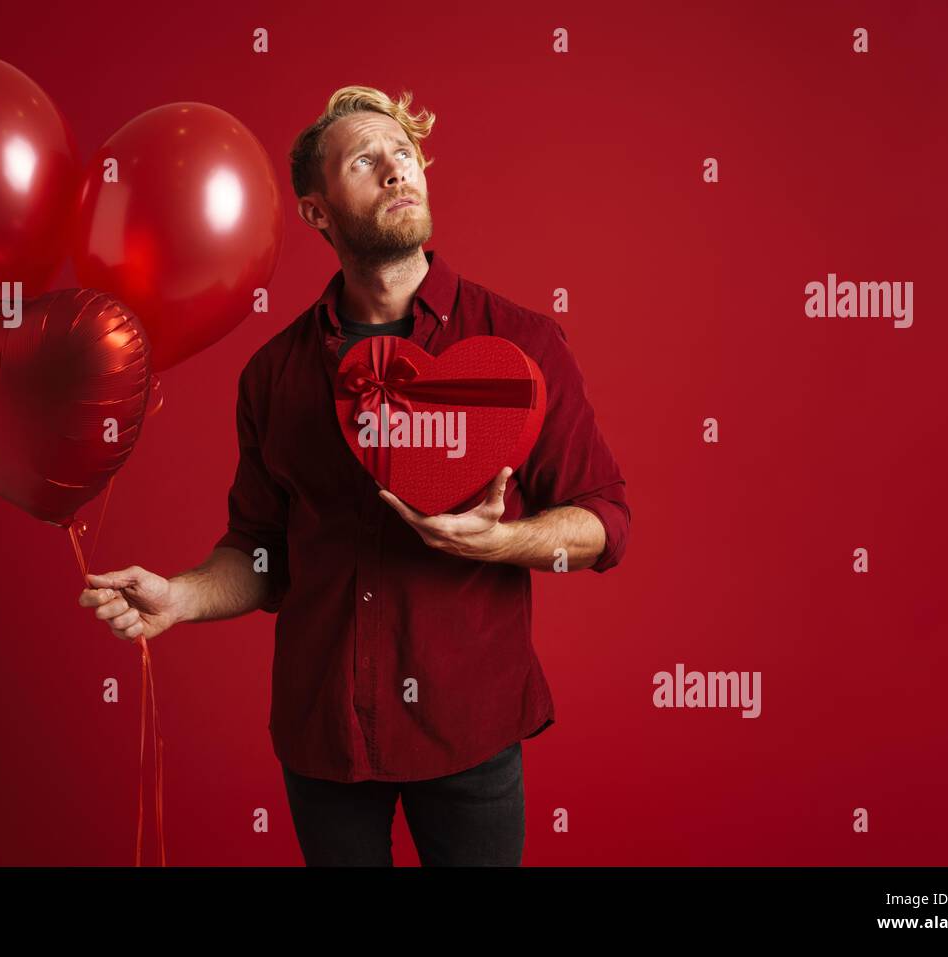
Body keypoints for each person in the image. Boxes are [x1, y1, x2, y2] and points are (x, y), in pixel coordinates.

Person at [78, 85, 631, 866]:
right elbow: (261, 553)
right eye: (366, 161)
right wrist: (181, 597)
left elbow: (606, 520)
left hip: (469, 733)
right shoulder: (275, 374)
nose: (396, 171)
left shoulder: (523, 343)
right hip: (324, 742)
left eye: (404, 154)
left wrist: (497, 542)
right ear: (317, 212)